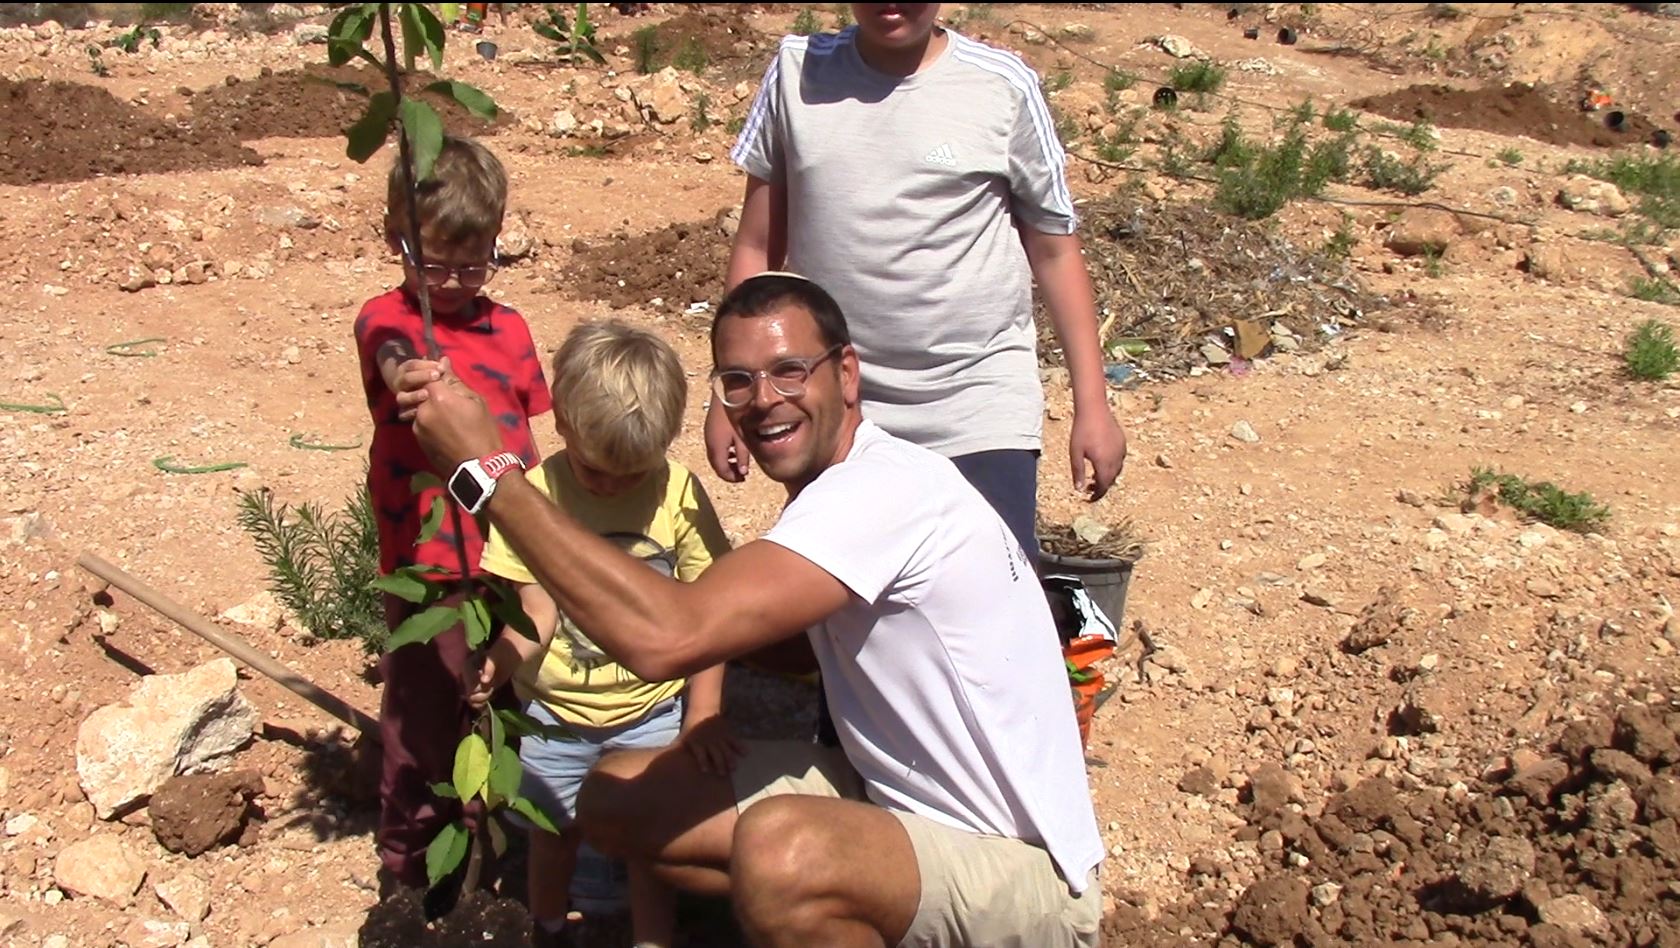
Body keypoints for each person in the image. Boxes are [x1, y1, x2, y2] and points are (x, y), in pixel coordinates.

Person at [407, 273, 1105, 947]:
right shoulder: (848, 490)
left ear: (849, 374)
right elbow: (771, 642)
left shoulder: (878, 493)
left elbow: (667, 637)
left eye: (790, 371)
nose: (763, 398)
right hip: (896, 803)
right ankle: (843, 915)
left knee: (785, 855)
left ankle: (826, 907)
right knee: (618, 794)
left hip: (1023, 872)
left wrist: (485, 470)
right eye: (738, 381)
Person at [710, 2, 1129, 566]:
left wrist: (1093, 406)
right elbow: (758, 246)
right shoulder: (796, 74)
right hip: (840, 405)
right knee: (846, 596)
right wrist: (731, 395)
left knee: (989, 587)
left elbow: (1054, 252)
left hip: (975, 399)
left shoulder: (1000, 88)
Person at [466, 319, 739, 948]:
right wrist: (500, 664)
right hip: (557, 716)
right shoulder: (535, 498)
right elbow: (538, 612)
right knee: (552, 831)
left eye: (632, 474)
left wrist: (702, 711)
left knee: (652, 844)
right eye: (596, 472)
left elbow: (710, 611)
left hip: (649, 714)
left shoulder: (676, 493)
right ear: (559, 421)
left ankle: (650, 937)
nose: (614, 487)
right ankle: (548, 923)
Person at [352, 135, 551, 894]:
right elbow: (394, 357)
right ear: (395, 241)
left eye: (475, 264)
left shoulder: (511, 330)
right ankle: (408, 872)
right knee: (419, 720)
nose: (456, 282)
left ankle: (490, 857)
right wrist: (416, 376)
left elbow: (531, 439)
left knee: (501, 707)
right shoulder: (388, 319)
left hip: (505, 560)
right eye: (435, 263)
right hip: (428, 571)